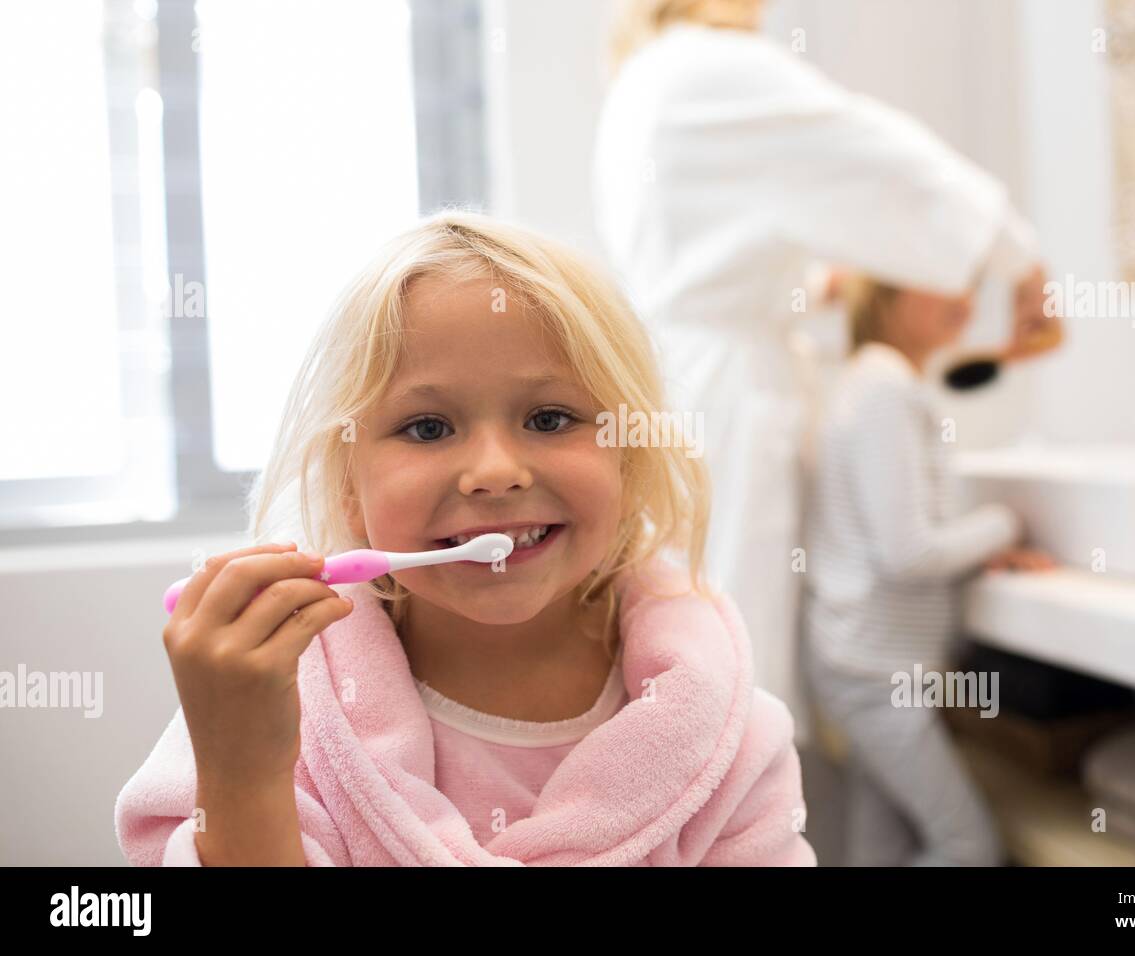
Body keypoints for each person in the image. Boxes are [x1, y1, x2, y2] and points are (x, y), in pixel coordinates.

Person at [114, 212, 816, 866]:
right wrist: (241, 767)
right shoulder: (276, 703)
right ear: (347, 485)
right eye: (427, 428)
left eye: (548, 418)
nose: (494, 473)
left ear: (629, 458)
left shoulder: (731, 740)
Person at [592, 0, 1061, 742]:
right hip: (728, 408)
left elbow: (708, 261)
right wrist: (1018, 257)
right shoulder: (711, 67)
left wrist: (810, 288)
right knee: (736, 683)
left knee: (694, 661)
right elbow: (877, 156)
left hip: (685, 388)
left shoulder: (640, 84)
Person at [803, 273, 1054, 866]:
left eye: (972, 285)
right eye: (944, 281)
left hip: (858, 655)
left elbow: (893, 538)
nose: (966, 301)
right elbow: (907, 552)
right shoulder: (887, 387)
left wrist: (977, 550)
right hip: (874, 668)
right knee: (968, 847)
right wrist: (1004, 523)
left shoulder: (868, 378)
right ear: (889, 290)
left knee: (880, 845)